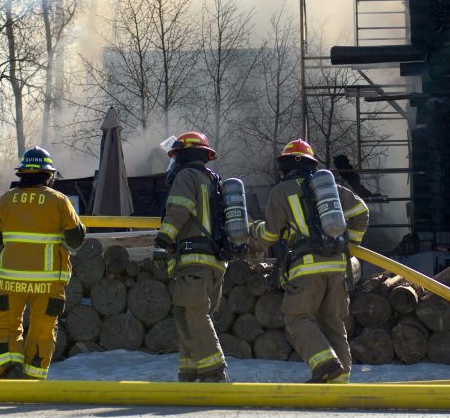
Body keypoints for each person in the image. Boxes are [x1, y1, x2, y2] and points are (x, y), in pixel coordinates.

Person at [251, 139, 369, 383]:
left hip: (306, 267)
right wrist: (349, 245)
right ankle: (341, 378)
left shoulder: (280, 191)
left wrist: (253, 231)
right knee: (333, 322)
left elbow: (271, 235)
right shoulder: (331, 189)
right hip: (338, 267)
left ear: (284, 166)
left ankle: (326, 366)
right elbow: (361, 212)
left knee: (298, 318)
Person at [0, 146, 85, 380]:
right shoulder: (59, 201)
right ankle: (32, 378)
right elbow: (75, 239)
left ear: (21, 173)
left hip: (10, 281)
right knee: (42, 331)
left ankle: (9, 370)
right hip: (47, 283)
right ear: (48, 175)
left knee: (7, 327)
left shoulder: (5, 200)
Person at [155, 131, 229, 383]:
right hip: (213, 262)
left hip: (194, 259)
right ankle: (190, 372)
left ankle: (214, 371)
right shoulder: (211, 181)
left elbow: (179, 209)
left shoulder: (187, 176)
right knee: (185, 313)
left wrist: (164, 237)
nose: (174, 163)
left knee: (194, 313)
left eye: (176, 157)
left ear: (184, 156)